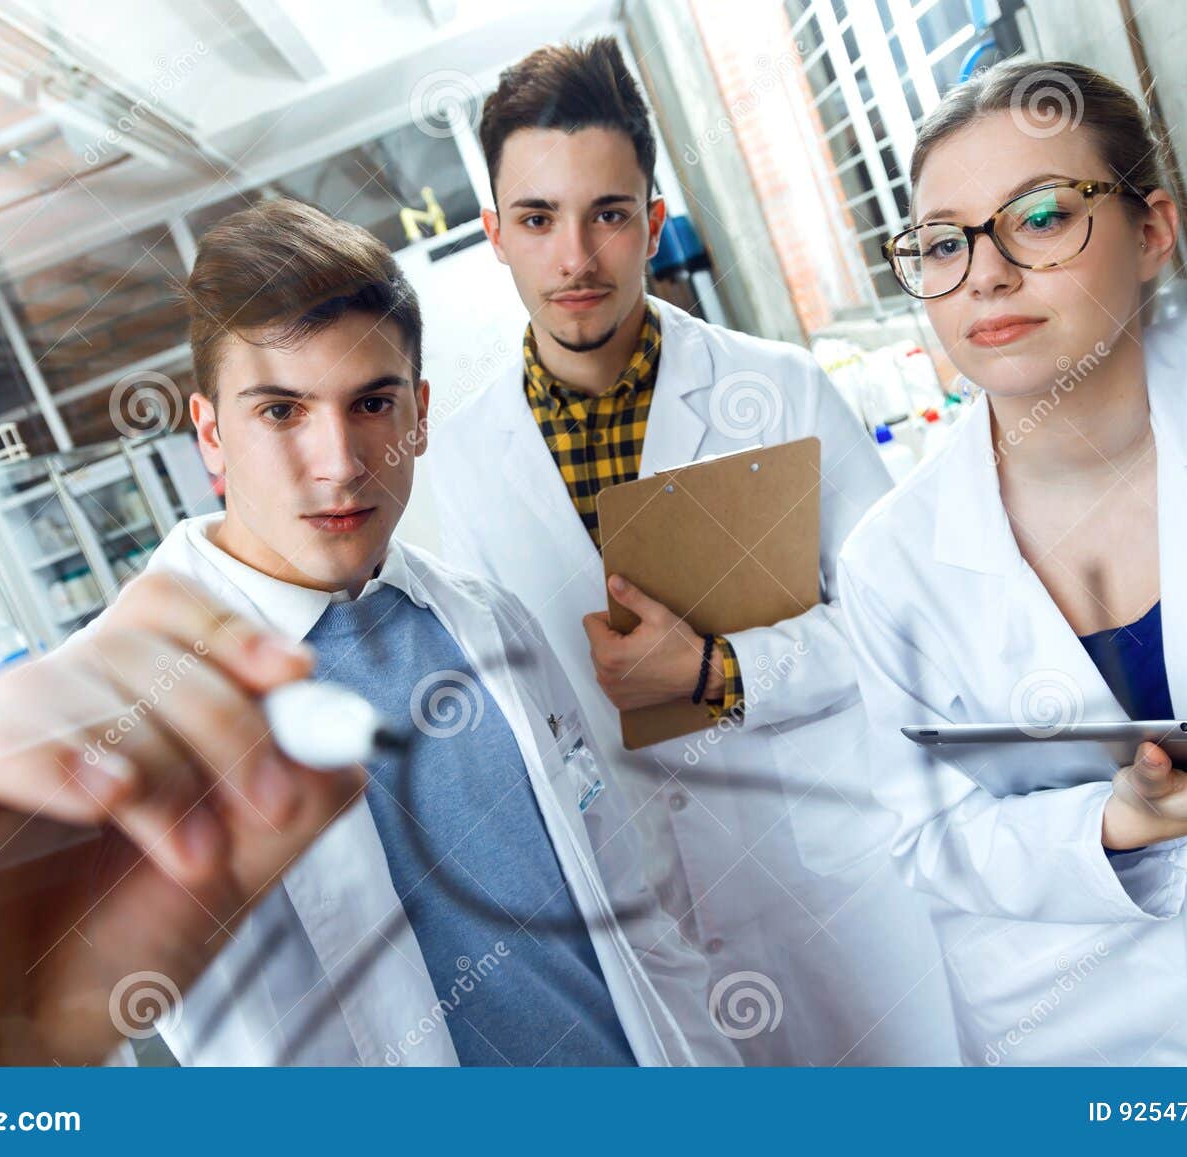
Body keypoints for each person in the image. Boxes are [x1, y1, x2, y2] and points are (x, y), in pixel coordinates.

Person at [74, 200, 735, 1066]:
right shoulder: (122, 704)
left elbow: (631, 911)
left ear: (418, 414)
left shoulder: (487, 621)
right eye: (281, 412)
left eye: (372, 404)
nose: (340, 461)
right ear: (211, 434)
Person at [837, 58, 1187, 1064]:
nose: (987, 274)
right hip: (1071, 1044)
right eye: (940, 243)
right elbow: (928, 835)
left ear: (1151, 231)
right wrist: (1115, 818)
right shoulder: (893, 560)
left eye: (1042, 215)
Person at [424, 37, 957, 1064]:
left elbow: (913, 632)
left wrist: (720, 672)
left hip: (836, 892)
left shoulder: (783, 391)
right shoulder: (460, 459)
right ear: (494, 232)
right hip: (649, 922)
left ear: (652, 224)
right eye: (537, 219)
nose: (575, 259)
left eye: (608, 214)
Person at [0, 568, 366, 1065]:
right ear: (211, 440)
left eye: (377, 430)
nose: (339, 465)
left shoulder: (450, 607)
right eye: (280, 432)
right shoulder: (107, 704)